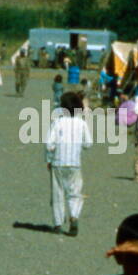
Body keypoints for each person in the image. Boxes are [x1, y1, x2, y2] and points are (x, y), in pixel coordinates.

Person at [45, 91, 92, 236]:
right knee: (74, 192)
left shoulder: (57, 122)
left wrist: (48, 159)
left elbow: (49, 144)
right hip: (74, 163)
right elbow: (88, 144)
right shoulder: (82, 123)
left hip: (58, 162)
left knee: (58, 193)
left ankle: (58, 224)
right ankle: (74, 217)